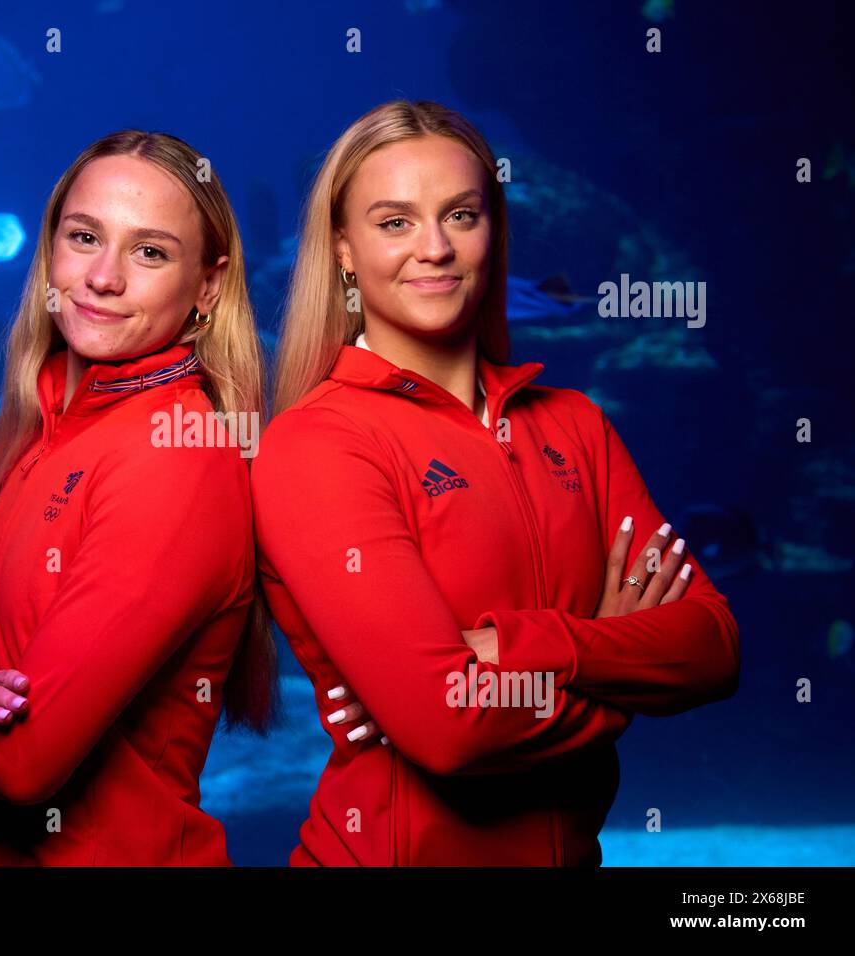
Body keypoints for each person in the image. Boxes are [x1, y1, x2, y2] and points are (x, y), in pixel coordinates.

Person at [249, 100, 740, 866]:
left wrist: (531, 645)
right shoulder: (319, 444)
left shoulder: (575, 424)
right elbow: (449, 731)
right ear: (344, 250)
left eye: (461, 215)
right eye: (394, 222)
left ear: (494, 231)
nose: (436, 248)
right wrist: (623, 676)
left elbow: (712, 648)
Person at [0, 129, 274, 865]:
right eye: (85, 237)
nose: (103, 277)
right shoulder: (33, 425)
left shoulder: (177, 456)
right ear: (50, 250)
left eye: (149, 252)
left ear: (208, 284)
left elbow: (23, 766)